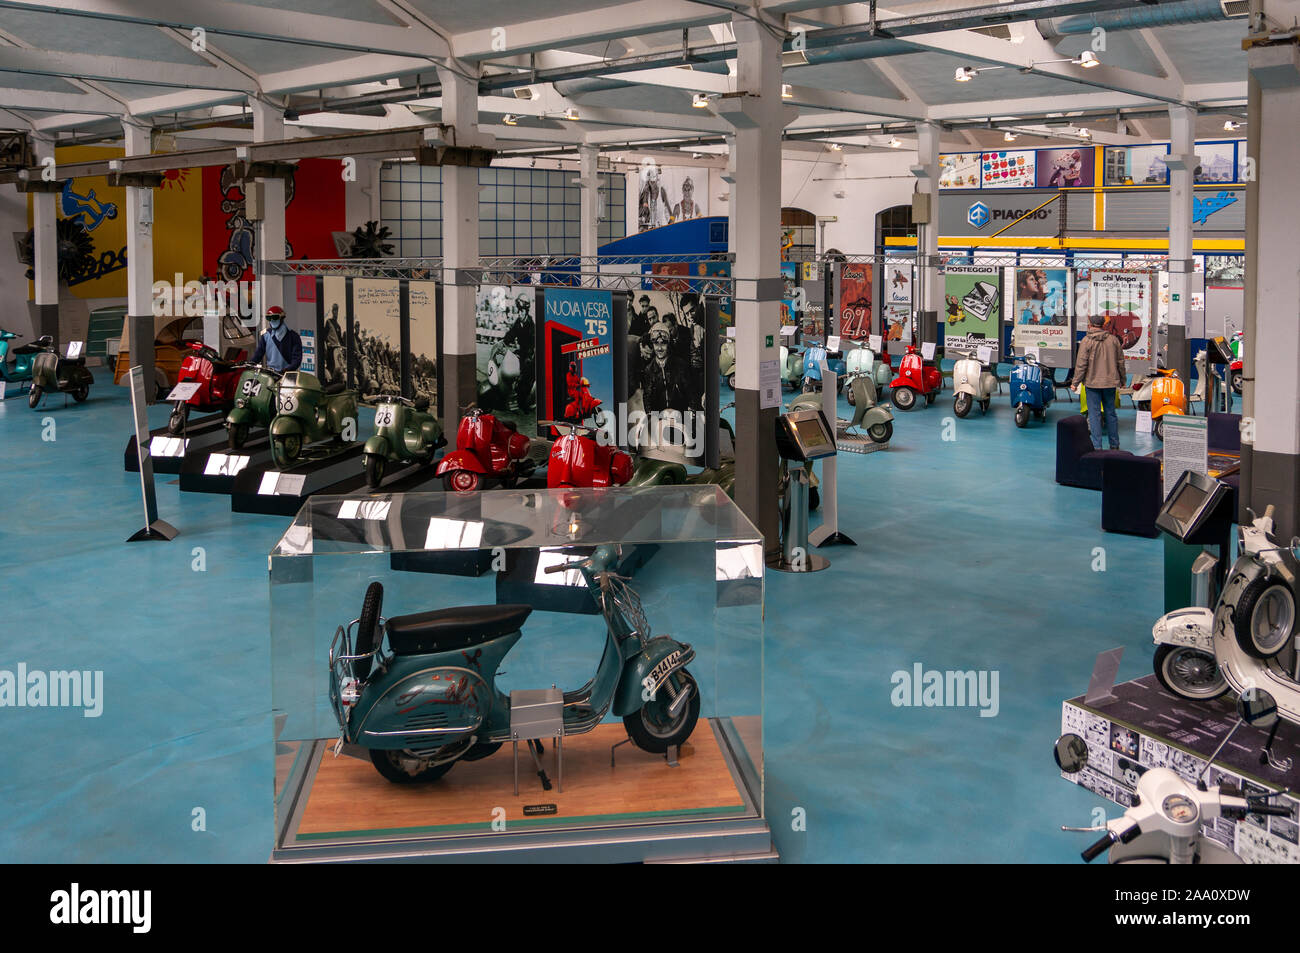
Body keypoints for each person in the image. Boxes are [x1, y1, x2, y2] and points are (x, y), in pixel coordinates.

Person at [1071, 312, 1127, 450]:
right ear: (1103, 325)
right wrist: (1123, 379)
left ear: (1090, 325)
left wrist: (1075, 382)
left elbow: (1081, 364)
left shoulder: (1086, 341)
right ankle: (1114, 444)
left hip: (1092, 383)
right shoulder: (1113, 340)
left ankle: (1097, 446)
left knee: (1094, 415)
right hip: (1110, 383)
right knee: (1111, 413)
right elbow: (1121, 362)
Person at [250, 306, 302, 373]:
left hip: (288, 374)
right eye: (269, 318)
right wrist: (250, 364)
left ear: (282, 318)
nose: (272, 320)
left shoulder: (293, 336)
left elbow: (297, 358)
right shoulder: (266, 335)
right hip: (270, 374)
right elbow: (258, 354)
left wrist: (288, 370)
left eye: (275, 317)